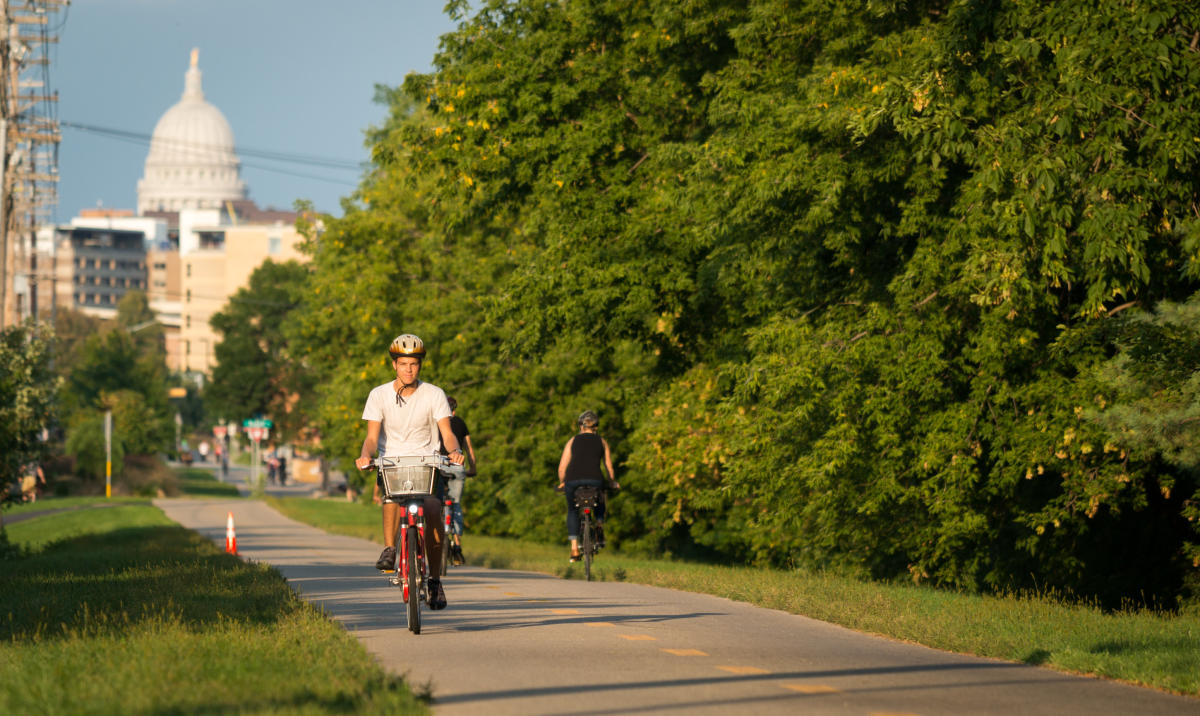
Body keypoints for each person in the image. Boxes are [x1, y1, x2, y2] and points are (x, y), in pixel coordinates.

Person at [356, 333, 465, 611]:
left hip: (427, 463)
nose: (408, 369)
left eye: (413, 364)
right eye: (403, 364)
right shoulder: (378, 395)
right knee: (391, 499)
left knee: (432, 511)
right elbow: (371, 436)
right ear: (394, 365)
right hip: (392, 462)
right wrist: (366, 454)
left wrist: (453, 451)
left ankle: (435, 582)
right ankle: (390, 549)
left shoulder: (434, 394)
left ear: (420, 365)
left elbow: (447, 433)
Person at [557, 410, 619, 562]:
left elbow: (561, 468)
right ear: (596, 427)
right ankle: (599, 525)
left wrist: (562, 482)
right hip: (594, 479)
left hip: (572, 479)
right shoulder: (602, 441)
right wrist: (611, 481)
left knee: (572, 510)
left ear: (580, 426)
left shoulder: (572, 441)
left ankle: (574, 549)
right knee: (601, 497)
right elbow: (608, 466)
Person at [438, 396, 477, 566]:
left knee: (434, 503)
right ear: (454, 410)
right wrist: (473, 467)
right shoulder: (460, 423)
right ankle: (457, 548)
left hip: (438, 465)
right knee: (455, 504)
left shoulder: (435, 422)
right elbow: (468, 447)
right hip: (457, 466)